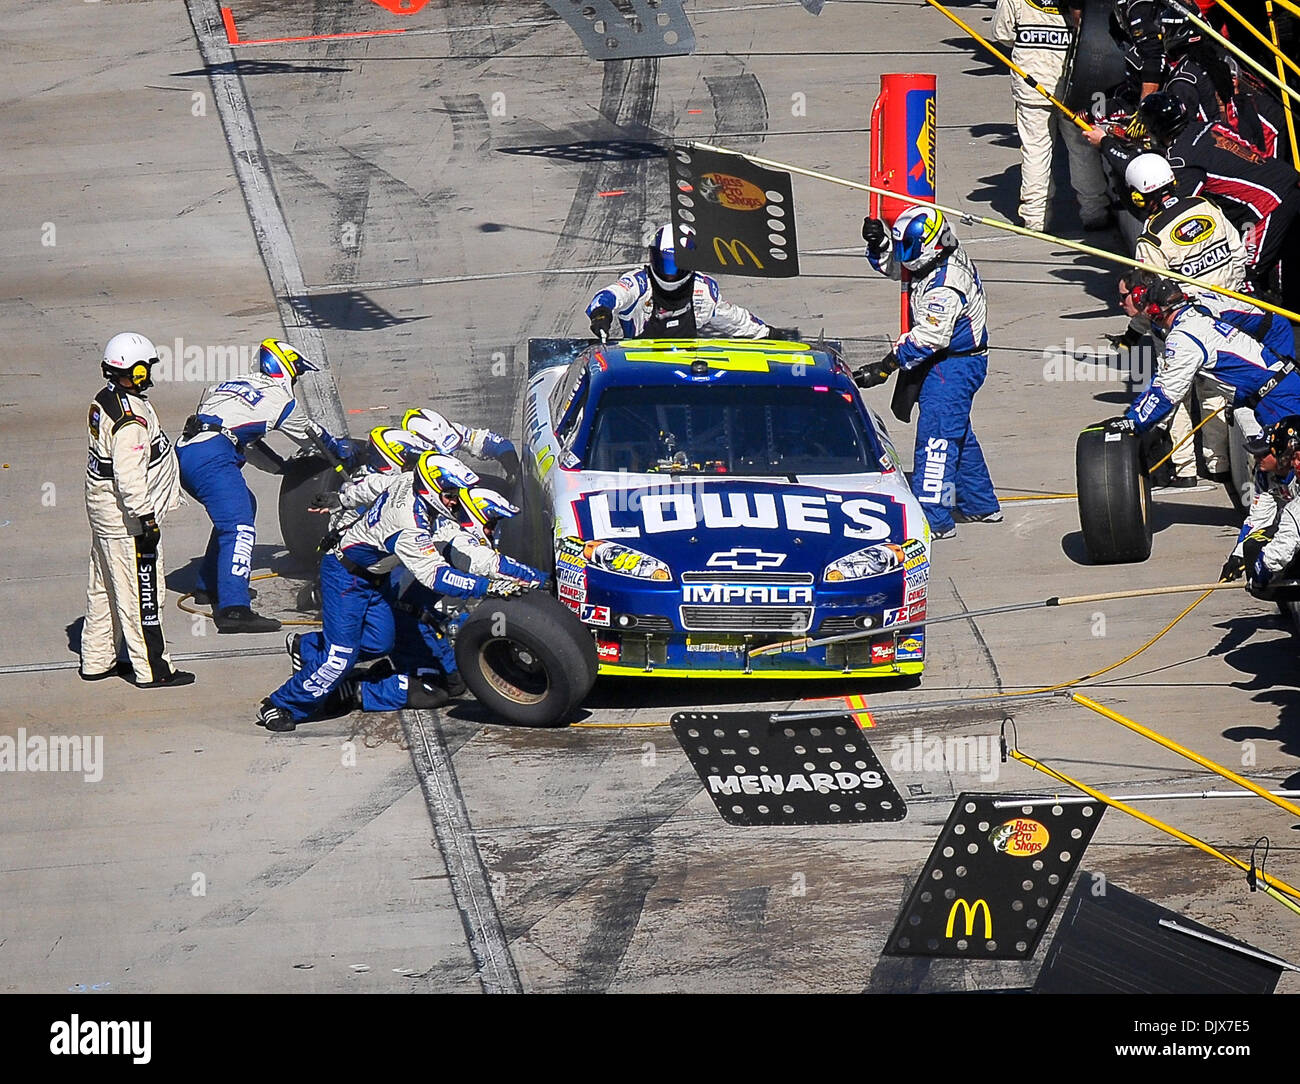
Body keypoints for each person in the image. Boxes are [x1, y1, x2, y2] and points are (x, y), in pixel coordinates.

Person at [258, 453, 546, 732]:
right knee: (340, 656)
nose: (454, 501)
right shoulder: (410, 528)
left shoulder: (408, 480)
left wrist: (343, 499)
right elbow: (437, 577)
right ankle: (282, 703)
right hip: (344, 578)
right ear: (432, 490)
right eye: (449, 494)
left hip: (372, 579)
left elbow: (374, 484)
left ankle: (306, 648)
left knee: (380, 642)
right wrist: (490, 585)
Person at [176, 338, 355, 633]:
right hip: (212, 456)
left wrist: (282, 468)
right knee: (239, 527)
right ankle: (234, 609)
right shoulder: (278, 397)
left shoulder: (229, 385)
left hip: (187, 451)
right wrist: (339, 449)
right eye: (295, 373)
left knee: (242, 506)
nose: (295, 380)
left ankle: (208, 586)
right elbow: (310, 434)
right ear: (284, 367)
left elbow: (248, 445)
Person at [857, 206, 1001, 539]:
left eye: (909, 247)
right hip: (947, 360)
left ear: (932, 245)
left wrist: (886, 366)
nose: (905, 255)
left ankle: (934, 520)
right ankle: (980, 503)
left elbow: (929, 338)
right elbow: (901, 268)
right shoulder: (935, 254)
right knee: (955, 431)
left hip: (954, 364)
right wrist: (879, 245)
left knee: (936, 441)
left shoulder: (945, 288)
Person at [1091, 93, 1300, 307]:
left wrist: (1108, 145)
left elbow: (1180, 208)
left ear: (1155, 129)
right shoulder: (1210, 127)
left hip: (1269, 206)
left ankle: (1255, 330)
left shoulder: (1181, 159)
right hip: (1289, 180)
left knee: (1244, 276)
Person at [1111, 153, 1247, 482]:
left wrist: (1133, 334)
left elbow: (1148, 298)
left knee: (1176, 394)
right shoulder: (1208, 207)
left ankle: (1185, 468)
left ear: (1138, 195)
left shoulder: (1151, 239)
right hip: (1226, 315)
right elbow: (1240, 256)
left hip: (1181, 327)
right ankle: (1219, 465)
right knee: (1215, 387)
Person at [82, 333, 192, 687]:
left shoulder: (106, 400)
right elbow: (130, 479)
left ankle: (98, 659)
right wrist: (145, 519)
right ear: (138, 371)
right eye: (147, 368)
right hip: (128, 522)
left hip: (104, 514)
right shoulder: (131, 421)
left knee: (104, 590)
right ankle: (153, 670)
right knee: (141, 593)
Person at [1104, 275, 1300, 445]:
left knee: (1288, 459)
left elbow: (1167, 391)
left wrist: (1134, 421)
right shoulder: (1194, 315)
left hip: (1276, 396)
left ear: (1156, 310)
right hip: (1276, 386)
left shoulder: (1184, 337)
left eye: (1147, 307)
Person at [994, 0, 1111, 231]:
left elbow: (1002, 33)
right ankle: (1094, 211)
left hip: (1031, 79)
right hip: (1071, 81)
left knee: (1035, 150)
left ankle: (1034, 218)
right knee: (1082, 149)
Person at [585, 225, 791, 341]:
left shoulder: (703, 290)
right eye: (665, 263)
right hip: (635, 366)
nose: (670, 273)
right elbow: (610, 295)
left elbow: (734, 320)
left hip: (684, 368)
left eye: (676, 265)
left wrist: (769, 334)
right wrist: (601, 314)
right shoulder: (640, 284)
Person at [1220, 416, 1300, 580]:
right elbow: (1258, 518)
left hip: (1295, 525)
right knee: (1253, 545)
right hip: (1292, 524)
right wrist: (1238, 556)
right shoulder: (1263, 475)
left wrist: (1265, 565)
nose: (1257, 459)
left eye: (1262, 455)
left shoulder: (1297, 471)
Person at [403, 407, 520, 479]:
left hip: (454, 479)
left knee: (499, 486)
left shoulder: (449, 430)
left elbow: (499, 444)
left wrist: (513, 471)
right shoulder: (400, 460)